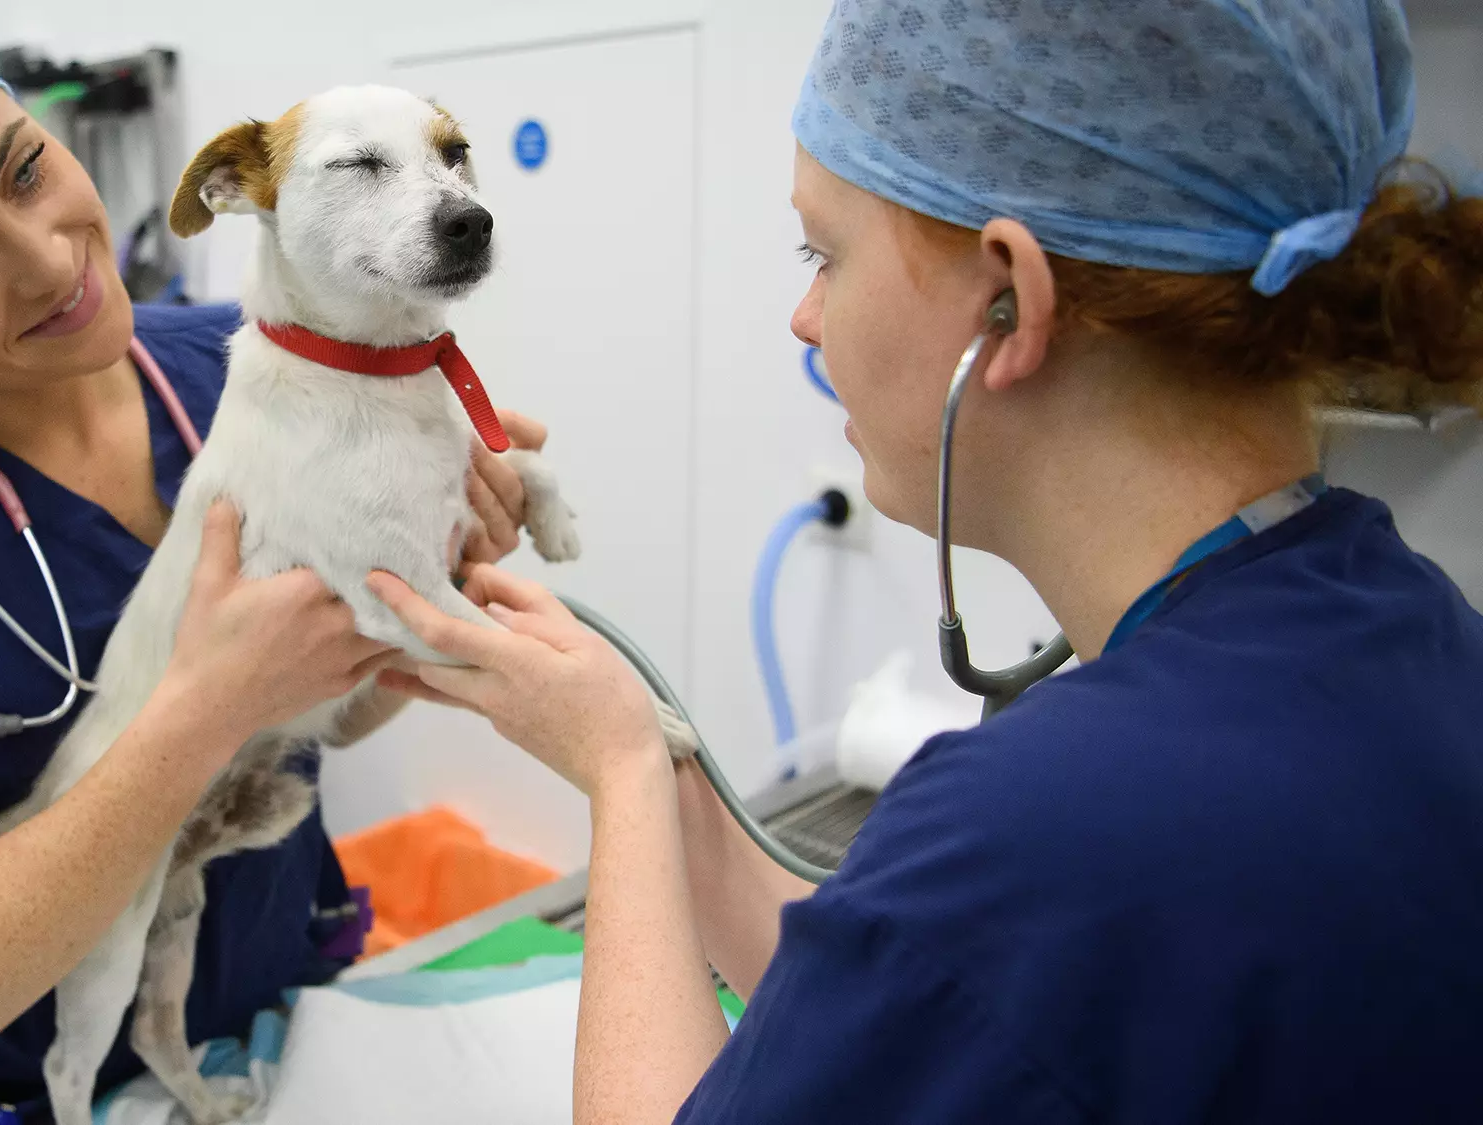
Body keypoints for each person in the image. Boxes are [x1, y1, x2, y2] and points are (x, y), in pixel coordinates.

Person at [370, 1, 1483, 1122]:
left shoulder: (1047, 830)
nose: (805, 319)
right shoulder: (1407, 623)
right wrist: (639, 749)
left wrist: (616, 782)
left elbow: (957, 950)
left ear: (1012, 296)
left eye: (824, 253)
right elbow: (908, 1008)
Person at [0, 1, 547, 1119]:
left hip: (275, 1035)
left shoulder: (247, 366)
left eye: (26, 170)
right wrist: (204, 706)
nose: (47, 262)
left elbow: (323, 705)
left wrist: (438, 569)